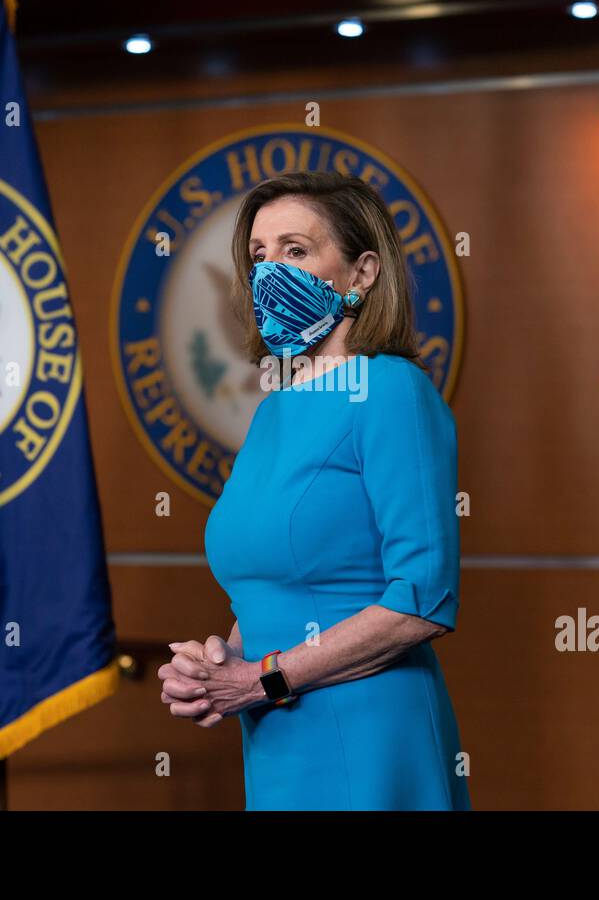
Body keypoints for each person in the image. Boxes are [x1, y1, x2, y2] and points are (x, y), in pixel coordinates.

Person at [158, 170, 469, 810]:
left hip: (369, 732)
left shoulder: (391, 390)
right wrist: (218, 665)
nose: (272, 271)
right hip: (276, 738)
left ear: (362, 274)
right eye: (259, 256)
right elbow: (278, 582)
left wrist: (262, 681)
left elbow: (422, 600)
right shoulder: (276, 410)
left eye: (296, 250)